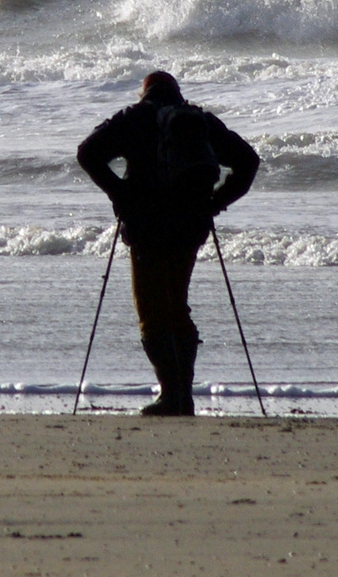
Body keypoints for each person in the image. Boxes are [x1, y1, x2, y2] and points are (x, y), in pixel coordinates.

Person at [75, 71, 260, 416]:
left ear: (144, 92)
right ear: (177, 93)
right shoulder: (199, 121)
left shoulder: (134, 119)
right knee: (176, 306)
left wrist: (120, 192)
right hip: (189, 226)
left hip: (146, 225)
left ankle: (170, 396)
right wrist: (214, 203)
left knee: (151, 312)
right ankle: (182, 395)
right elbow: (249, 161)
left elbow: (87, 153)